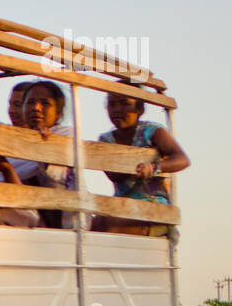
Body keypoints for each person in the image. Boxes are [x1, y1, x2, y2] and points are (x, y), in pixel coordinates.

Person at [92, 93, 189, 234]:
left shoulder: (152, 131)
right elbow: (113, 175)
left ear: (140, 109)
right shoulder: (106, 140)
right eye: (112, 104)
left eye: (125, 103)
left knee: (109, 225)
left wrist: (153, 167)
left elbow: (182, 159)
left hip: (153, 207)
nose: (117, 109)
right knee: (93, 223)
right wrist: (134, 165)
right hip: (122, 205)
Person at [18, 81, 82, 228]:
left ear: (58, 112)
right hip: (24, 211)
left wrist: (45, 146)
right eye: (31, 102)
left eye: (45, 103)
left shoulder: (65, 134)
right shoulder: (17, 138)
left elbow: (58, 173)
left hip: (60, 218)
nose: (36, 108)